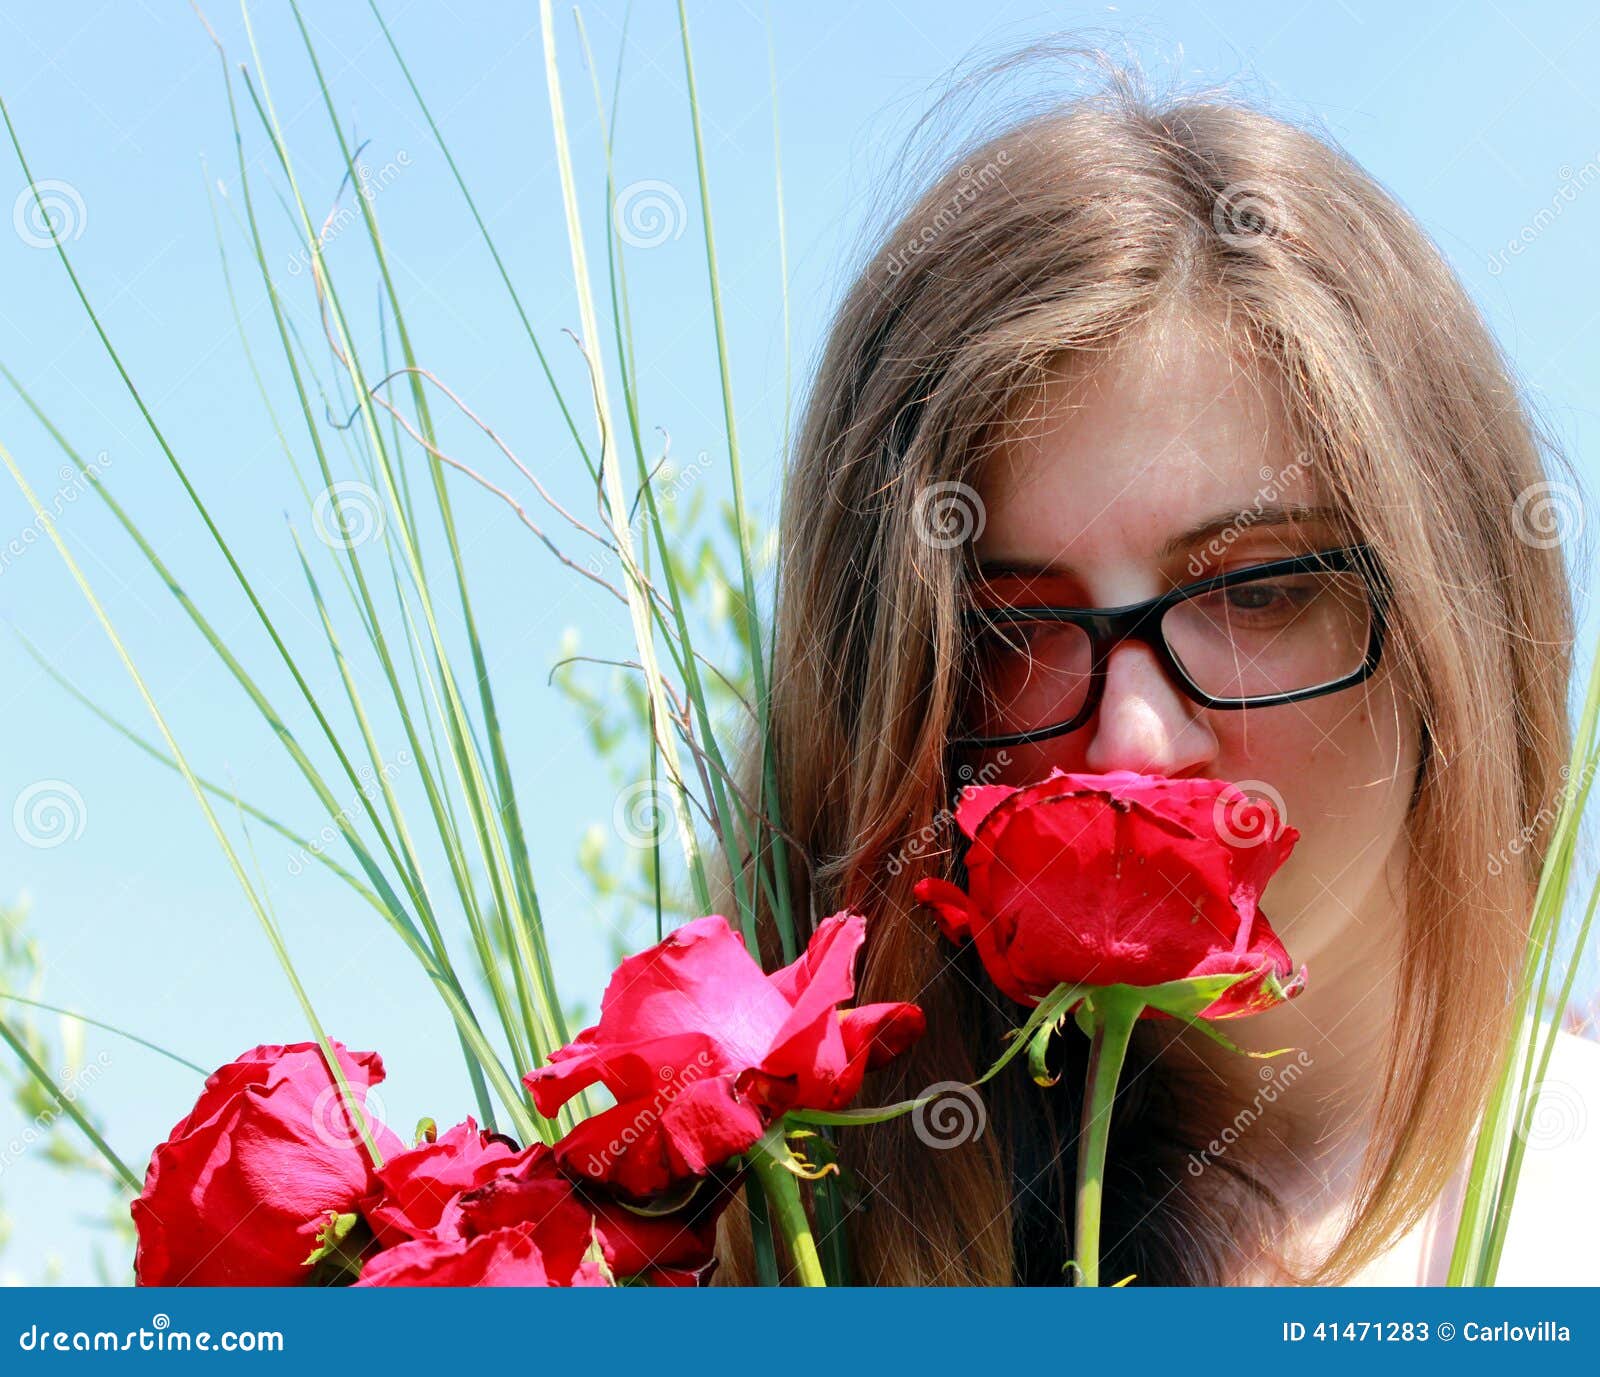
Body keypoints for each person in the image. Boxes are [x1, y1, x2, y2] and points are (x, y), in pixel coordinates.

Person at [714, 53, 1596, 1286]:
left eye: (1257, 590)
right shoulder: (773, 1250)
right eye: (1009, 630)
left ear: (1461, 621)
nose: (1133, 745)